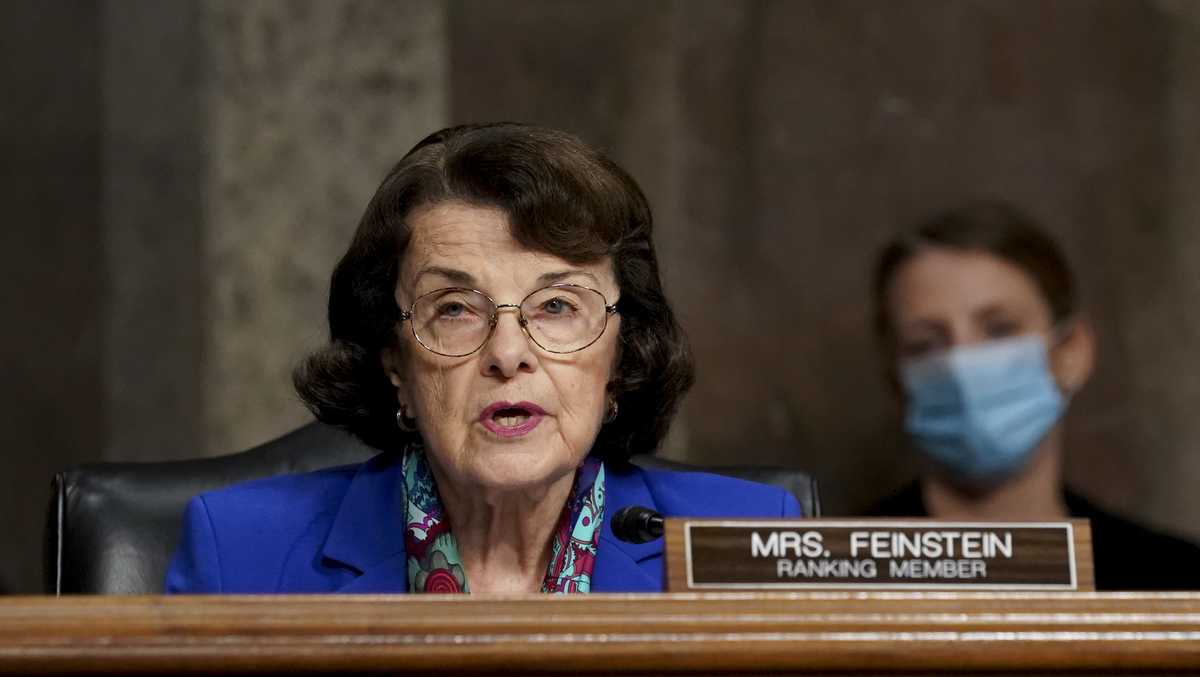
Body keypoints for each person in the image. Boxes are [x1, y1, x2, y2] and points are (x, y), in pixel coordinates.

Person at [165, 123, 802, 594]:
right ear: (396, 364)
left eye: (556, 307)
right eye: (454, 309)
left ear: (623, 356)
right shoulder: (240, 552)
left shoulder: (745, 536)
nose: (507, 354)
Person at [866, 200, 1200, 590]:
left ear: (1070, 351)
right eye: (925, 344)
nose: (961, 364)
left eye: (999, 330)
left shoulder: (1174, 579)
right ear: (896, 377)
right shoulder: (837, 574)